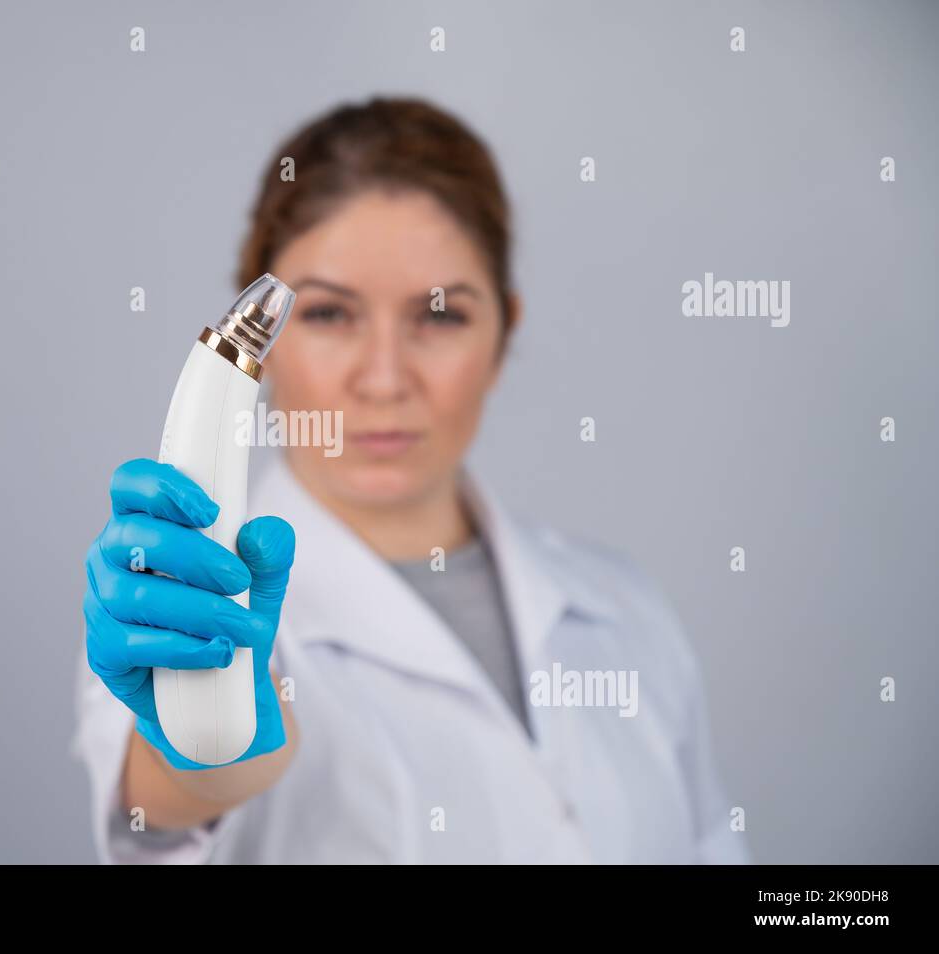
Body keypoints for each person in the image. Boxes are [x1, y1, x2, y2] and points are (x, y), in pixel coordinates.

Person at [72, 96, 748, 864]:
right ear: (269, 350)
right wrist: (205, 753)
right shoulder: (181, 616)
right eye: (328, 315)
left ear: (505, 330)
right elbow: (159, 814)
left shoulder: (624, 609)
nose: (386, 379)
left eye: (441, 316)